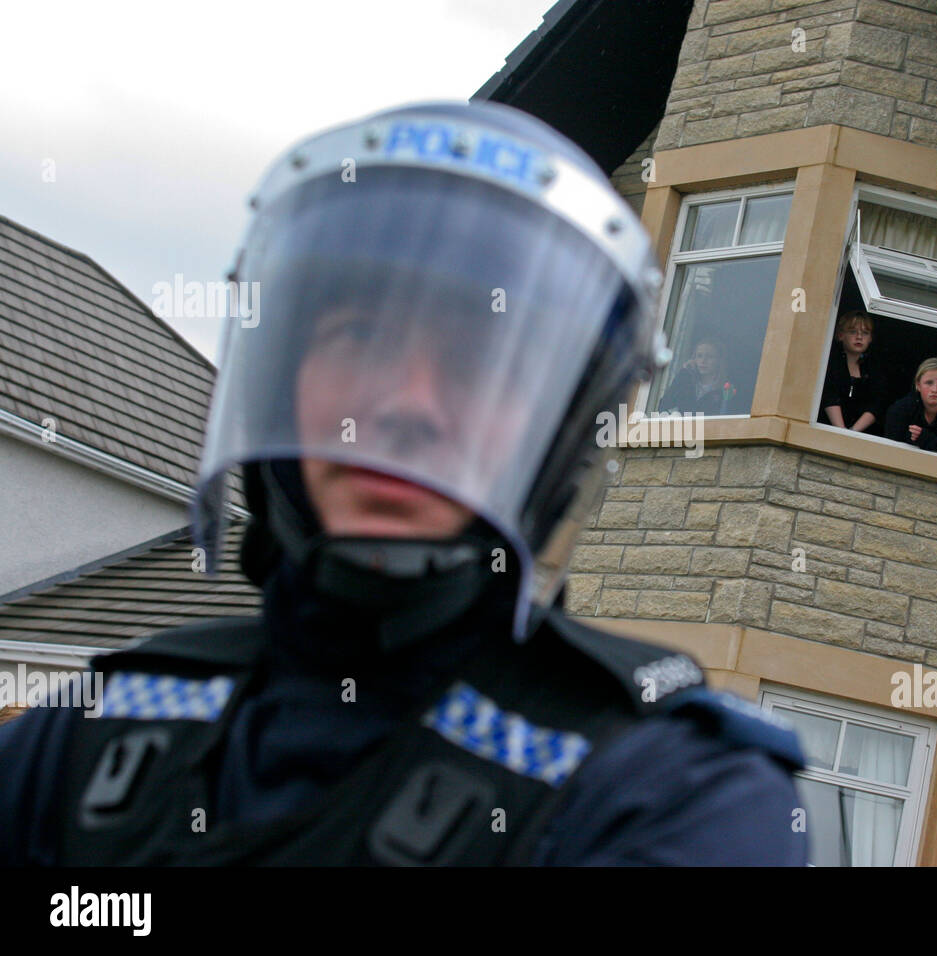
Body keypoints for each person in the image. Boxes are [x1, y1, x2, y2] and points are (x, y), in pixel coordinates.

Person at [0, 102, 806, 866]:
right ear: (282, 381)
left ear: (556, 435)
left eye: (479, 361)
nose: (408, 405)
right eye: (362, 337)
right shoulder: (92, 733)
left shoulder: (671, 790)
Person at [883, 357, 937, 458]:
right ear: (918, 385)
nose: (934, 389)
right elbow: (890, 451)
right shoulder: (901, 409)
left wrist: (925, 439)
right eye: (929, 383)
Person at [819, 311, 887, 435]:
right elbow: (829, 396)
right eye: (853, 331)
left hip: (862, 437)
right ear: (840, 335)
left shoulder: (874, 370)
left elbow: (877, 404)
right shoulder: (829, 363)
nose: (859, 337)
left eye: (865, 333)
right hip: (826, 431)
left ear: (870, 338)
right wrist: (841, 431)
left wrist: (853, 433)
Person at [658, 337, 732, 415]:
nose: (703, 361)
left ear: (719, 361)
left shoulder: (726, 389)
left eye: (710, 356)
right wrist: (683, 373)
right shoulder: (686, 383)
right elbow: (663, 406)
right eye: (699, 356)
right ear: (694, 359)